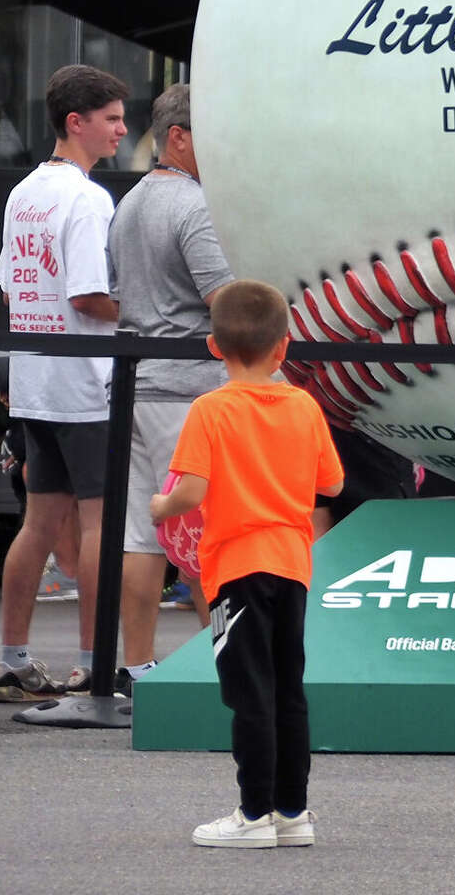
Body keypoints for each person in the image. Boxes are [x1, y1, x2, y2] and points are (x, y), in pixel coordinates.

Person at [148, 280, 342, 848]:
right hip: (291, 561)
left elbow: (189, 491)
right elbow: (330, 483)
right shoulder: (304, 406)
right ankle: (292, 812)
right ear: (284, 348)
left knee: (247, 690)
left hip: (235, 566)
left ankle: (253, 814)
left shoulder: (211, 409)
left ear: (214, 346)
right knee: (288, 687)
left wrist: (162, 506)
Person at [0, 65, 128, 701]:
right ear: (77, 123)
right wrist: (148, 314)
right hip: (83, 384)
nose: (123, 131)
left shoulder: (23, 191)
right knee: (101, 526)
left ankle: (11, 660)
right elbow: (91, 295)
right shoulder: (88, 197)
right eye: (112, 119)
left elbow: (9, 284)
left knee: (39, 524)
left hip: (34, 380)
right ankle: (93, 664)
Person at [111, 84, 232, 686]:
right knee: (206, 532)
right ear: (178, 137)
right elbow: (227, 303)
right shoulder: (194, 205)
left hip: (135, 385)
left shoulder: (129, 202)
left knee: (142, 535)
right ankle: (229, 666)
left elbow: (112, 299)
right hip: (187, 393)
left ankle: (135, 665)